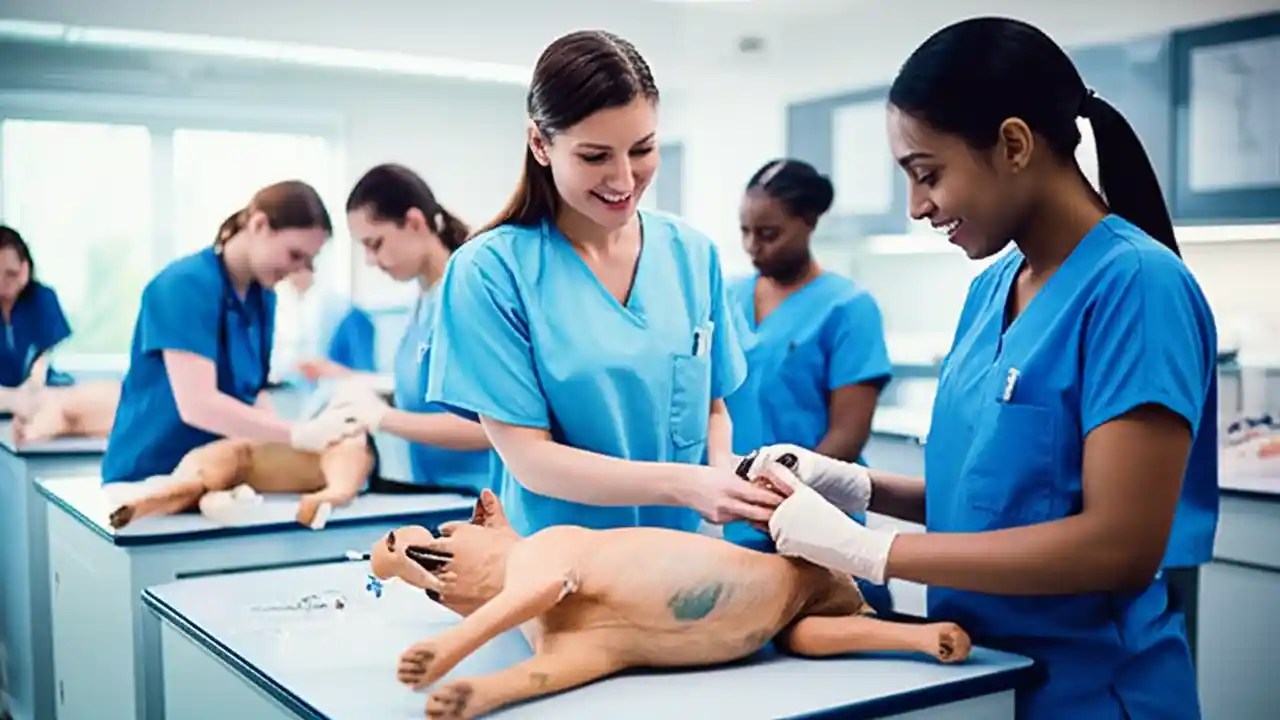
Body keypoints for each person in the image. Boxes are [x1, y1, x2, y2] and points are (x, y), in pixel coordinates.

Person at [747, 17, 1217, 719]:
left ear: (1014, 144)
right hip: (982, 683)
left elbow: (1118, 545)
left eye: (927, 174)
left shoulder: (1137, 287)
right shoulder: (990, 291)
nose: (917, 206)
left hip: (1092, 693)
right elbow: (992, 500)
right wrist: (854, 486)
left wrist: (875, 552)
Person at [425, 30, 780, 539]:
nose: (624, 179)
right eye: (595, 157)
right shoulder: (491, 272)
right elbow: (530, 460)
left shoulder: (692, 255)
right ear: (540, 145)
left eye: (642, 150)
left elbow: (712, 408)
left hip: (685, 563)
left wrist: (722, 473)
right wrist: (685, 484)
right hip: (561, 580)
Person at [101, 180, 365, 485]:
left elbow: (252, 394)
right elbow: (198, 405)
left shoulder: (263, 299)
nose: (298, 270)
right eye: (294, 255)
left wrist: (299, 436)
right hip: (150, 474)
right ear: (259, 224)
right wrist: (295, 433)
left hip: (216, 474)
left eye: (308, 261)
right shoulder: (182, 285)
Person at [722, 159, 894, 613]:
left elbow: (848, 433)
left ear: (809, 222)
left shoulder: (848, 308)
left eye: (769, 233)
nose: (752, 247)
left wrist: (791, 501)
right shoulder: (728, 297)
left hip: (820, 521)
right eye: (745, 231)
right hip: (741, 524)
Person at [330, 163, 495, 494]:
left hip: (484, 498)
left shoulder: (467, 294)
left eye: (375, 243)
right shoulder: (423, 298)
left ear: (415, 222)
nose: (370, 261)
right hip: (440, 492)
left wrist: (382, 418)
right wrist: (374, 393)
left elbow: (489, 427)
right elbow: (434, 393)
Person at [0, 226, 72, 411]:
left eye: (11, 273)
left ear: (25, 268)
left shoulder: (42, 298)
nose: (3, 282)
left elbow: (41, 361)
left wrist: (31, 392)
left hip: (36, 392)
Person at [272, 266, 378, 384]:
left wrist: (326, 370)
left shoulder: (344, 312)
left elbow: (366, 378)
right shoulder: (278, 306)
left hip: (336, 393)